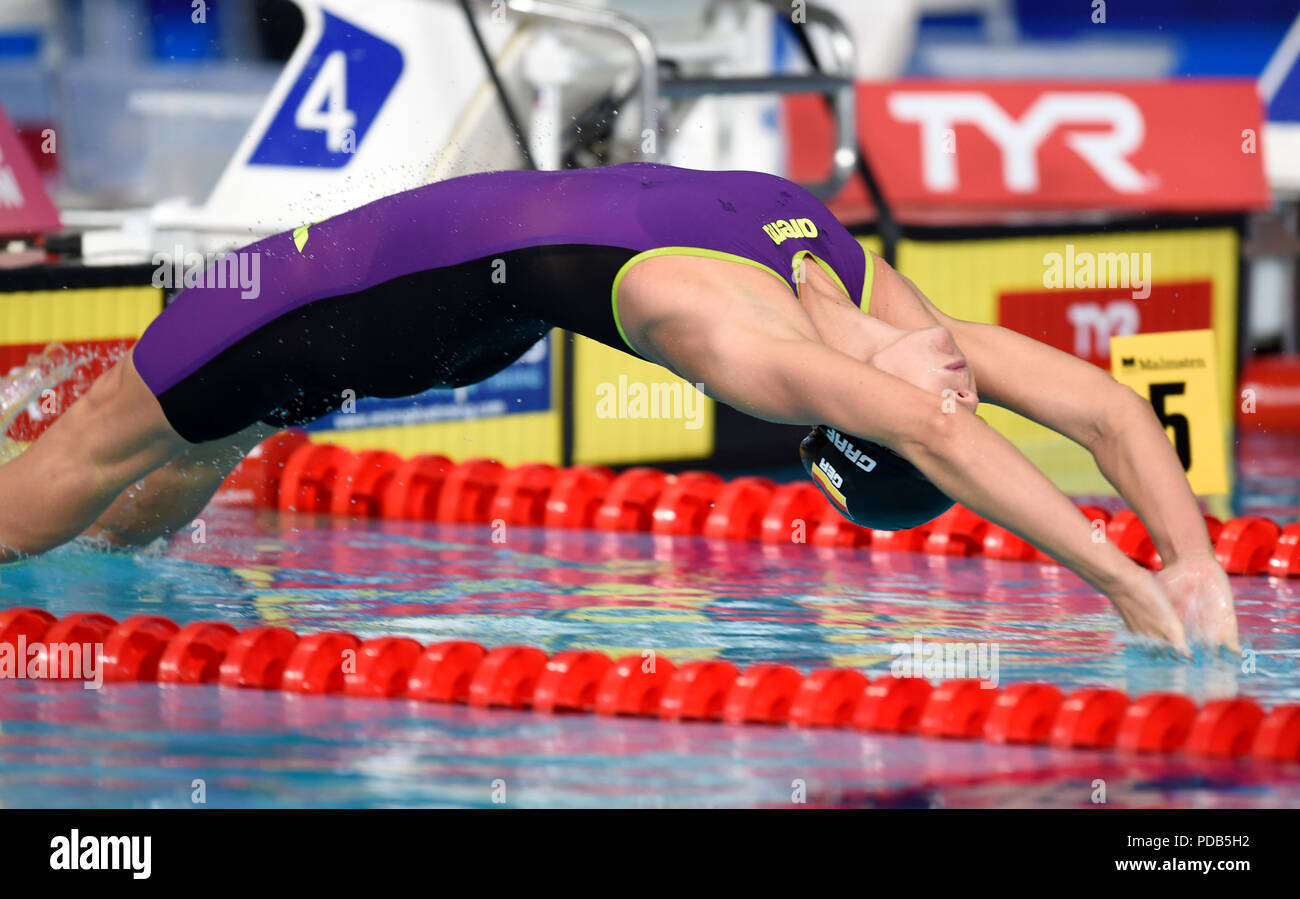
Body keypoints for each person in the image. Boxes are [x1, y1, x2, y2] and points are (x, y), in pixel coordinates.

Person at [0, 163, 1237, 655]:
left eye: (938, 402)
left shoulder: (755, 351)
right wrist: (1169, 566)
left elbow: (935, 431)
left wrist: (1108, 579)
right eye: (958, 395)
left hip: (347, 297)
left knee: (58, 500)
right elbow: (1102, 410)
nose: (966, 387)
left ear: (858, 418)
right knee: (144, 478)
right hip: (378, 298)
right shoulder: (889, 310)